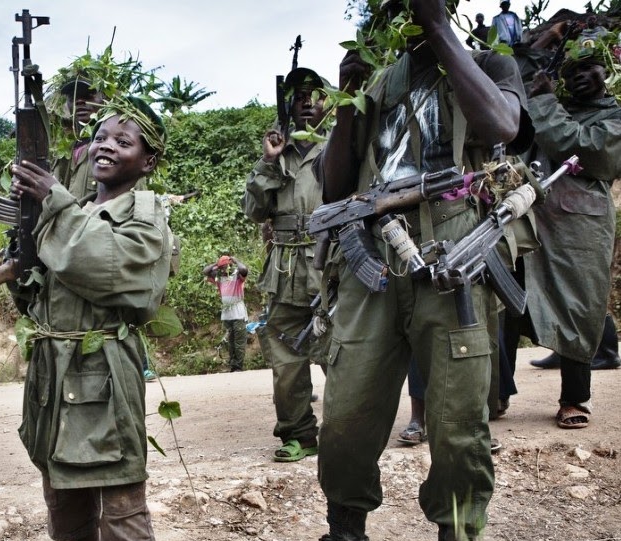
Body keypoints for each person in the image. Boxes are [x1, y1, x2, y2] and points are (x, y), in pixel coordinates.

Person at [314, 0, 532, 539]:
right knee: (345, 415)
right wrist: (348, 101)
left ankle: (457, 529)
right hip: (373, 256)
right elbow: (334, 187)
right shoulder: (377, 81)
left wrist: (437, 31)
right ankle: (345, 526)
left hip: (456, 252)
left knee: (459, 423)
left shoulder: (489, 64)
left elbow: (502, 126)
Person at [10, 95, 172, 541]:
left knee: (121, 510)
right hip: (53, 373)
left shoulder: (145, 213)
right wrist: (22, 247)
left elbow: (112, 269)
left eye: (124, 141)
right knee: (63, 504)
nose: (106, 145)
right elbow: (36, 299)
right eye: (100, 136)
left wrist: (53, 203)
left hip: (102, 373)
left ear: (148, 161)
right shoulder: (69, 209)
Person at [508, 28, 621, 429]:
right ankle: (497, 394)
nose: (578, 76)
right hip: (528, 219)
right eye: (571, 69)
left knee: (580, 306)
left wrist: (543, 99)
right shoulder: (552, 105)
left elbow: (583, 148)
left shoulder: (614, 117)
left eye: (588, 67)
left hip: (580, 229)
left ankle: (574, 399)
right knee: (509, 301)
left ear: (605, 72)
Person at [242, 66, 328, 462]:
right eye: (299, 97)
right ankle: (299, 434)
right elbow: (254, 212)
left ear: (328, 103)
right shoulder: (277, 154)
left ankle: (350, 432)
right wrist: (268, 163)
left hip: (332, 262)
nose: (307, 103)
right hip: (285, 269)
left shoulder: (339, 146)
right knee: (286, 361)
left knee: (341, 351)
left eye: (315, 95)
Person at [203, 255, 249, 372]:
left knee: (239, 342)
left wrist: (235, 260)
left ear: (230, 266)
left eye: (225, 267)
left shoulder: (237, 277)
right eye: (221, 268)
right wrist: (216, 263)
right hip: (227, 315)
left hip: (238, 314)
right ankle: (233, 365)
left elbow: (244, 270)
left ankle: (238, 366)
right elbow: (205, 272)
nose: (223, 270)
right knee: (230, 341)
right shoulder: (219, 279)